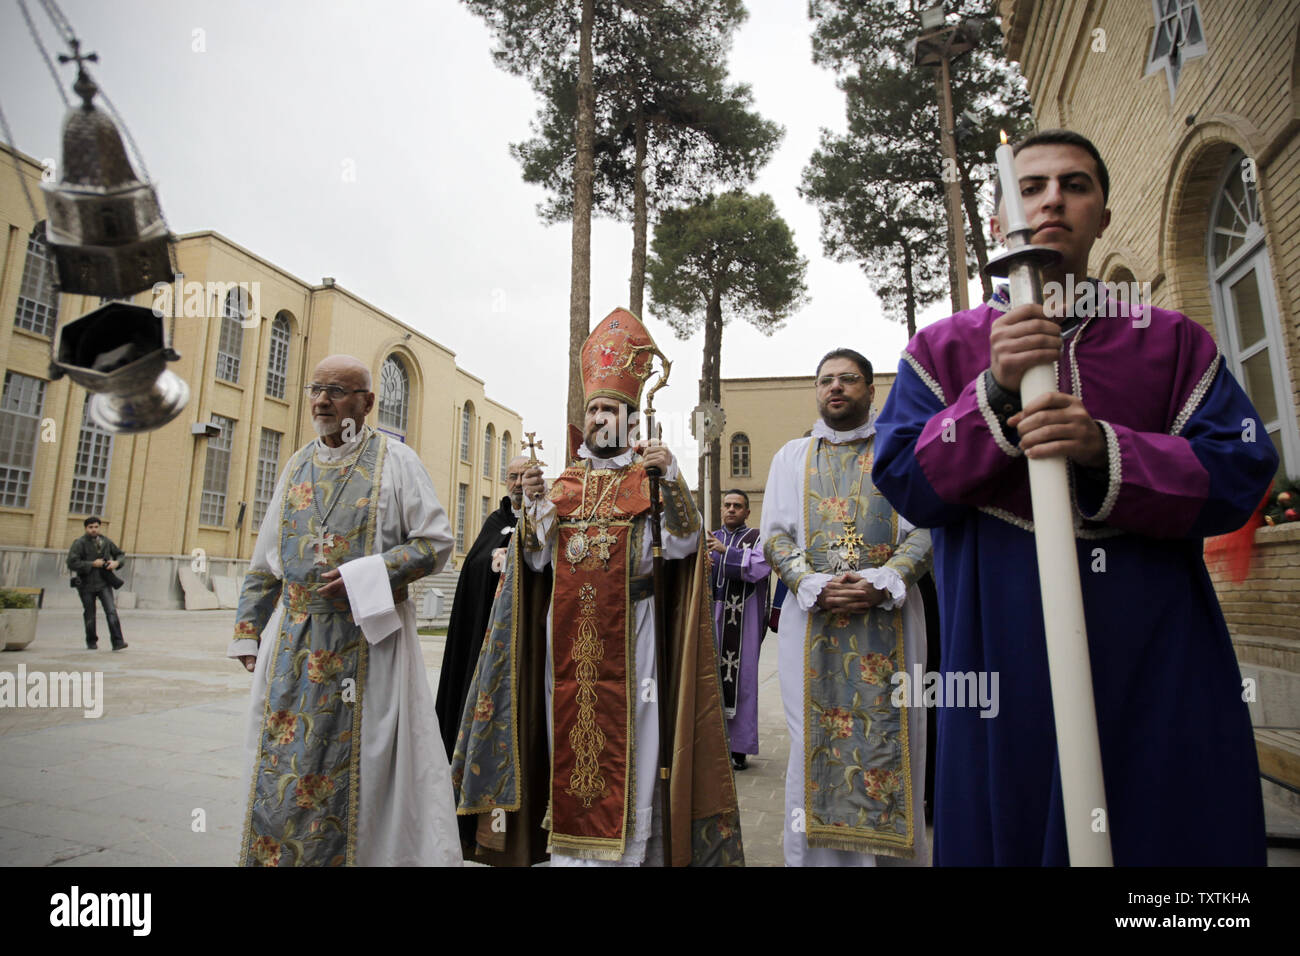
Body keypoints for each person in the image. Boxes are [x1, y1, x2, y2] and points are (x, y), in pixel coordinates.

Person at [872, 129, 1277, 866]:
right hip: (1000, 650)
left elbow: (1244, 469)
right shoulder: (940, 350)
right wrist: (990, 393)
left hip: (1157, 652)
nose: (1053, 197)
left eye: (1076, 184)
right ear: (997, 221)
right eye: (1030, 187)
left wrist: (1104, 448)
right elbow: (905, 480)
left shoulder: (1172, 342)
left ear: (1103, 216)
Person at [452, 308, 743, 867]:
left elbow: (684, 547)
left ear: (631, 419)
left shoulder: (652, 477)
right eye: (592, 409)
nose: (599, 417)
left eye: (610, 409)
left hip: (635, 635)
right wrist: (533, 507)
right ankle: (568, 856)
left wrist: (674, 480)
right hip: (564, 642)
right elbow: (534, 560)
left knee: (637, 746)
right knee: (568, 743)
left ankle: (634, 853)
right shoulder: (561, 484)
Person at [227, 354, 461, 867]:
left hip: (368, 646)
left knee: (365, 769)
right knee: (286, 758)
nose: (323, 401)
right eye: (317, 389)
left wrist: (368, 573)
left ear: (367, 402)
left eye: (337, 390)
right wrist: (248, 630)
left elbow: (435, 543)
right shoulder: (297, 464)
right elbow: (266, 560)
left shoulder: (397, 462)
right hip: (292, 645)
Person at [761, 348, 932, 867]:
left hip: (891, 617)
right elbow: (775, 535)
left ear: (870, 390)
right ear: (816, 391)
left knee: (897, 737)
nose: (836, 387)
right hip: (811, 618)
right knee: (810, 745)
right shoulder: (791, 456)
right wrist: (808, 581)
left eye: (848, 379)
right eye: (826, 380)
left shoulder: (900, 449)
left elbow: (926, 528)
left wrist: (887, 580)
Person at [435, 454, 530, 761]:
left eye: (524, 476)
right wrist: (493, 562)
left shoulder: (545, 518)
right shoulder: (496, 521)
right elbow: (474, 565)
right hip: (489, 629)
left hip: (529, 625)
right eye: (512, 477)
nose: (517, 483)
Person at [708, 489, 771, 771]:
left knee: (742, 681)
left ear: (747, 512)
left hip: (743, 617)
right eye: (727, 505)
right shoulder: (710, 538)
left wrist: (726, 553)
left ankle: (740, 748)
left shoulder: (757, 539)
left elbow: (760, 567)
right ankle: (711, 745)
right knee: (709, 680)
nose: (731, 509)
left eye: (738, 506)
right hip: (711, 615)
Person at [66, 516, 127, 651]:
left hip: (104, 583)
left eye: (96, 527)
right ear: (86, 528)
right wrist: (92, 564)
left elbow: (120, 554)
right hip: (86, 584)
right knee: (90, 613)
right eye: (91, 527)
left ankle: (118, 641)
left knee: (111, 611)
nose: (94, 530)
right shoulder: (79, 543)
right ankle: (91, 641)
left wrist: (116, 563)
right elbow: (71, 562)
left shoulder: (106, 541)